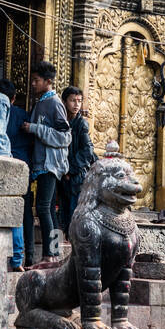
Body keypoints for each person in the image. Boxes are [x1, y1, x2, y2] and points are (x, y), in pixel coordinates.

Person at [22, 60, 70, 262]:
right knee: (49, 208)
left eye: (36, 80)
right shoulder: (41, 102)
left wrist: (34, 129)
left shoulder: (54, 103)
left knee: (43, 207)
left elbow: (64, 136)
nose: (33, 84)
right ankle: (55, 252)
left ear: (48, 81)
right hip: (42, 162)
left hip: (50, 164)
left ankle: (50, 254)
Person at [0, 78, 32, 271]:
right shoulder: (22, 115)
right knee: (18, 213)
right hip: (20, 165)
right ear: (14, 98)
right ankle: (19, 258)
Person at [58, 86, 95, 235]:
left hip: (76, 176)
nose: (76, 104)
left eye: (79, 101)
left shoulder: (81, 124)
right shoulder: (61, 121)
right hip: (63, 175)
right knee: (63, 213)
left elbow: (87, 151)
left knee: (74, 214)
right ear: (64, 101)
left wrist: (70, 169)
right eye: (73, 100)